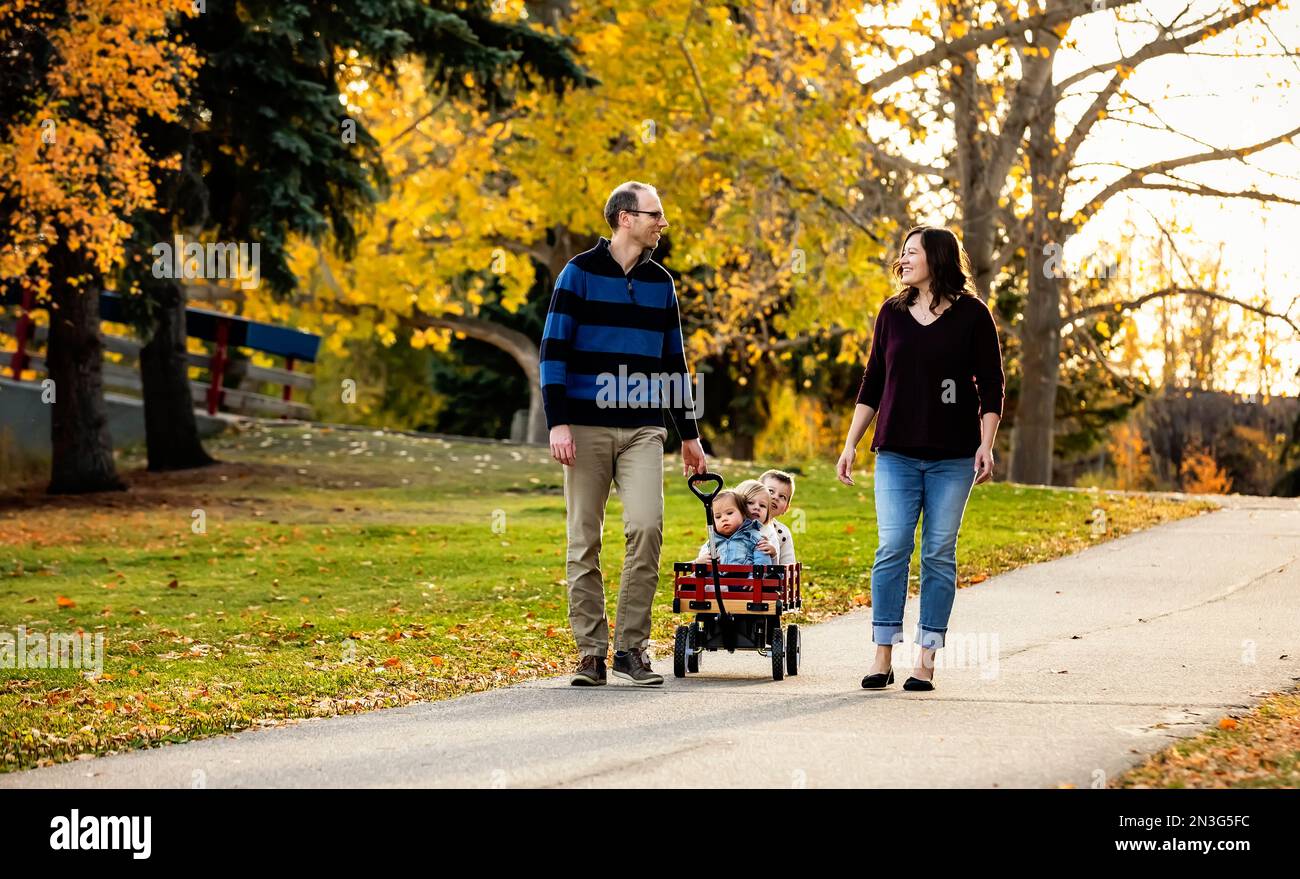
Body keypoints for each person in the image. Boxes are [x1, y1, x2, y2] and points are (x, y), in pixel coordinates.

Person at [540, 181, 707, 688]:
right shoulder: (578, 273)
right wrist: (558, 422)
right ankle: (590, 652)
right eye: (655, 214)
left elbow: (673, 360)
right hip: (585, 425)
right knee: (582, 540)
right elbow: (553, 352)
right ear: (624, 218)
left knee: (647, 526)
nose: (663, 223)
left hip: (643, 427)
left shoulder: (662, 282)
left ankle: (631, 648)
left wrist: (691, 435)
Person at [836, 224, 1004, 692]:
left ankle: (926, 659)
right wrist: (851, 442)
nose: (903, 259)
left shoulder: (973, 315)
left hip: (953, 458)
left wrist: (985, 444)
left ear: (937, 258)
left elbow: (992, 384)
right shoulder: (891, 313)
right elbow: (873, 381)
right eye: (903, 252)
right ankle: (882, 653)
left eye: (912, 252)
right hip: (896, 453)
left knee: (937, 553)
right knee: (892, 549)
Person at [692, 490, 773, 566]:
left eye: (729, 513)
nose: (724, 519)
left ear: (743, 514)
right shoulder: (713, 542)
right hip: (718, 580)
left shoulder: (753, 537)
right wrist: (699, 562)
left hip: (745, 579)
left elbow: (762, 562)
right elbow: (705, 567)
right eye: (718, 517)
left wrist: (754, 579)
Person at [759, 468, 798, 565]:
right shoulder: (737, 521)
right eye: (770, 491)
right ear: (755, 492)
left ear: (786, 508)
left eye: (782, 496)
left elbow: (788, 566)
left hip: (768, 578)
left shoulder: (782, 534)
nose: (775, 497)